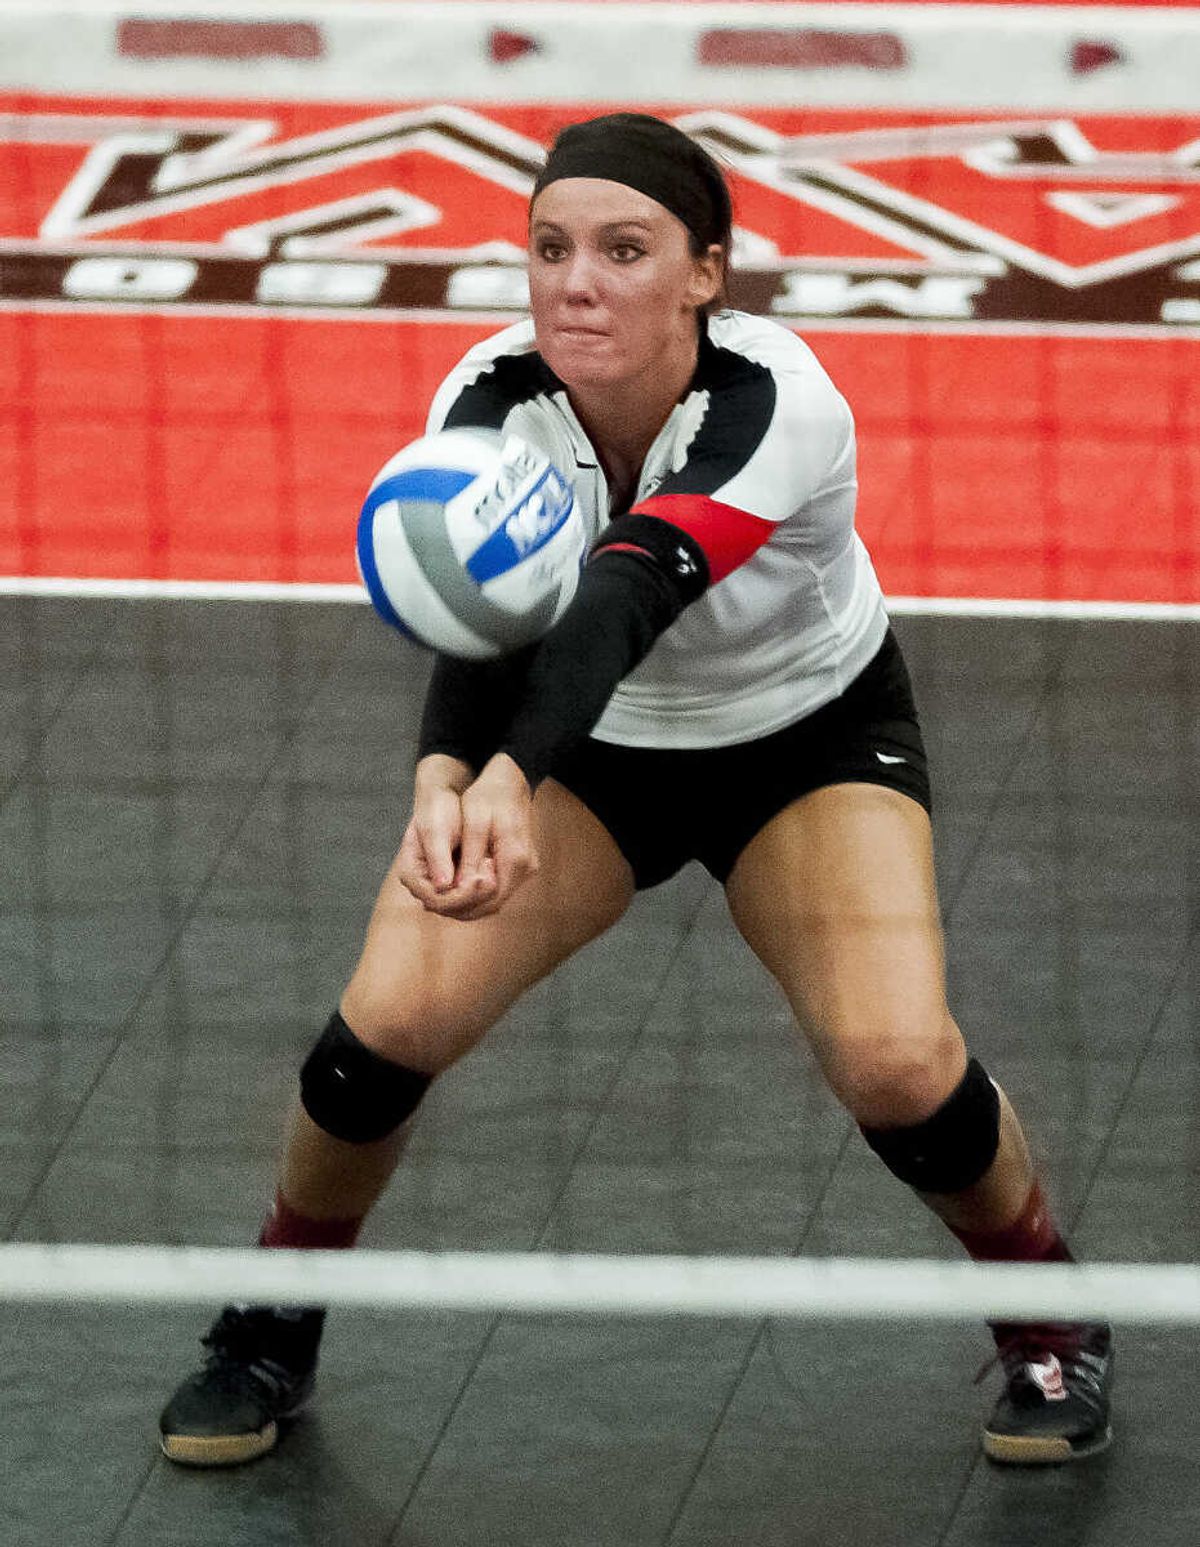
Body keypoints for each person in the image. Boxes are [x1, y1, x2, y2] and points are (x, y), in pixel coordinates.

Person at [159, 112, 1113, 1470]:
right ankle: (271, 1325)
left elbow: (620, 597)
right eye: (550, 250)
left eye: (622, 250)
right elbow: (487, 623)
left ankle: (1054, 1323)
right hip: (592, 760)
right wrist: (445, 778)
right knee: (382, 1029)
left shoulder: (776, 403)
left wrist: (504, 775)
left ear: (706, 274)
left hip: (808, 741)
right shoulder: (488, 396)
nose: (577, 282)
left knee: (897, 1064)